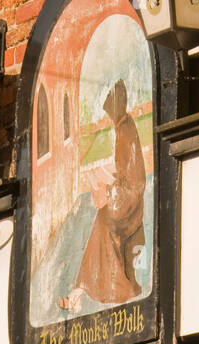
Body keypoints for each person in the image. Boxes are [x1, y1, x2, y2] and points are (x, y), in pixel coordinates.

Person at [60, 79, 147, 311]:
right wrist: (107, 177)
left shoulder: (126, 129)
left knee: (104, 221)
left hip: (130, 202)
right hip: (127, 195)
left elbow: (134, 179)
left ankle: (92, 289)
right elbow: (126, 169)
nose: (109, 116)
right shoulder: (123, 127)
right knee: (101, 219)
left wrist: (108, 188)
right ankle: (79, 290)